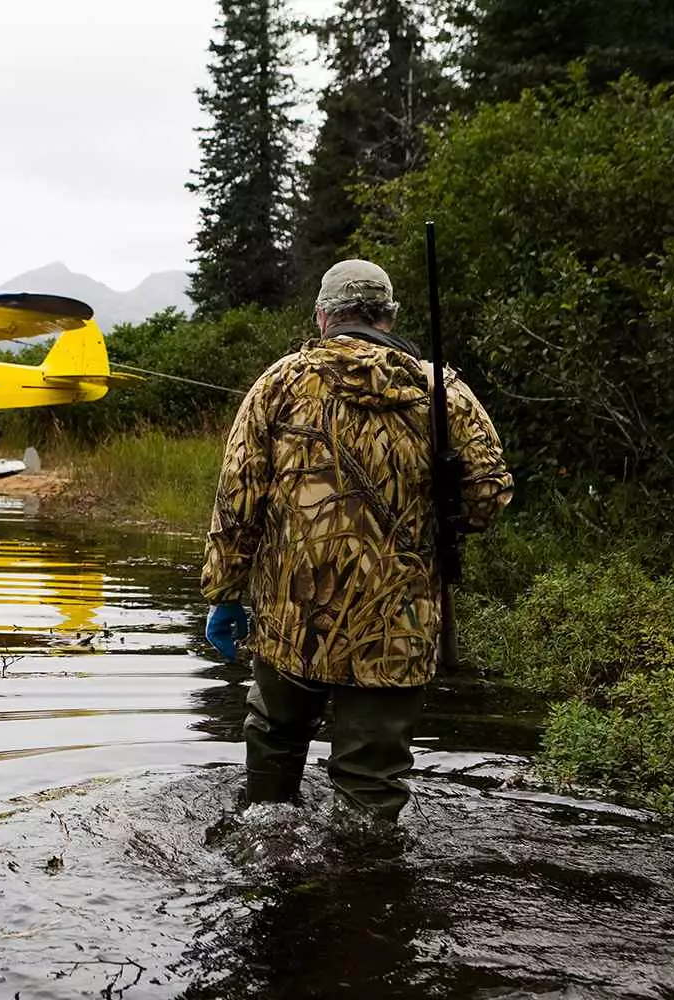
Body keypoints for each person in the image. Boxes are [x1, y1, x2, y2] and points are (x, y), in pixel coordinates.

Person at [201, 258, 513, 822]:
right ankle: (366, 885)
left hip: (294, 614)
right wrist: (440, 518)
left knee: (274, 748)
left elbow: (237, 498)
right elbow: (490, 492)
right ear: (388, 315)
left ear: (323, 316)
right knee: (372, 781)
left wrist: (224, 591)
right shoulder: (442, 389)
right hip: (397, 622)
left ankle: (268, 860)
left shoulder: (278, 383)